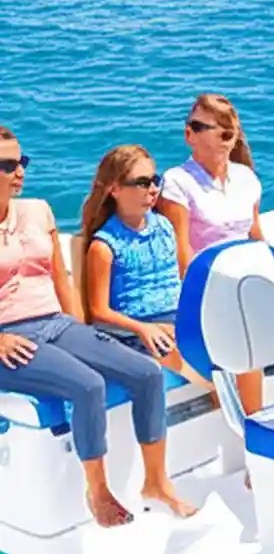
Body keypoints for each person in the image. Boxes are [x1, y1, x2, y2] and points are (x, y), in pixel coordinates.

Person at [0, 125, 196, 526]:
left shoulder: (38, 211)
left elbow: (60, 279)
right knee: (87, 384)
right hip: (11, 338)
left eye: (22, 162)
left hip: (55, 323)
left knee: (145, 372)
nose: (19, 171)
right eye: (7, 165)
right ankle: (99, 492)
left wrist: (79, 331)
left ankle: (156, 483)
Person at [156, 94, 266, 417]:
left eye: (225, 127)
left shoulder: (246, 179)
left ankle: (253, 432)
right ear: (189, 135)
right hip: (203, 286)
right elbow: (180, 251)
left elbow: (257, 236)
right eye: (207, 126)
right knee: (242, 335)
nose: (220, 133)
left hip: (245, 282)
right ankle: (247, 430)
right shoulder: (178, 182)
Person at [80, 144, 206, 384]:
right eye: (142, 183)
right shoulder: (105, 246)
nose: (153, 189)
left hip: (176, 318)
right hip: (133, 330)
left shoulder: (165, 227)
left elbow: (179, 277)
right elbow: (99, 312)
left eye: (155, 180)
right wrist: (145, 328)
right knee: (187, 361)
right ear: (115, 189)